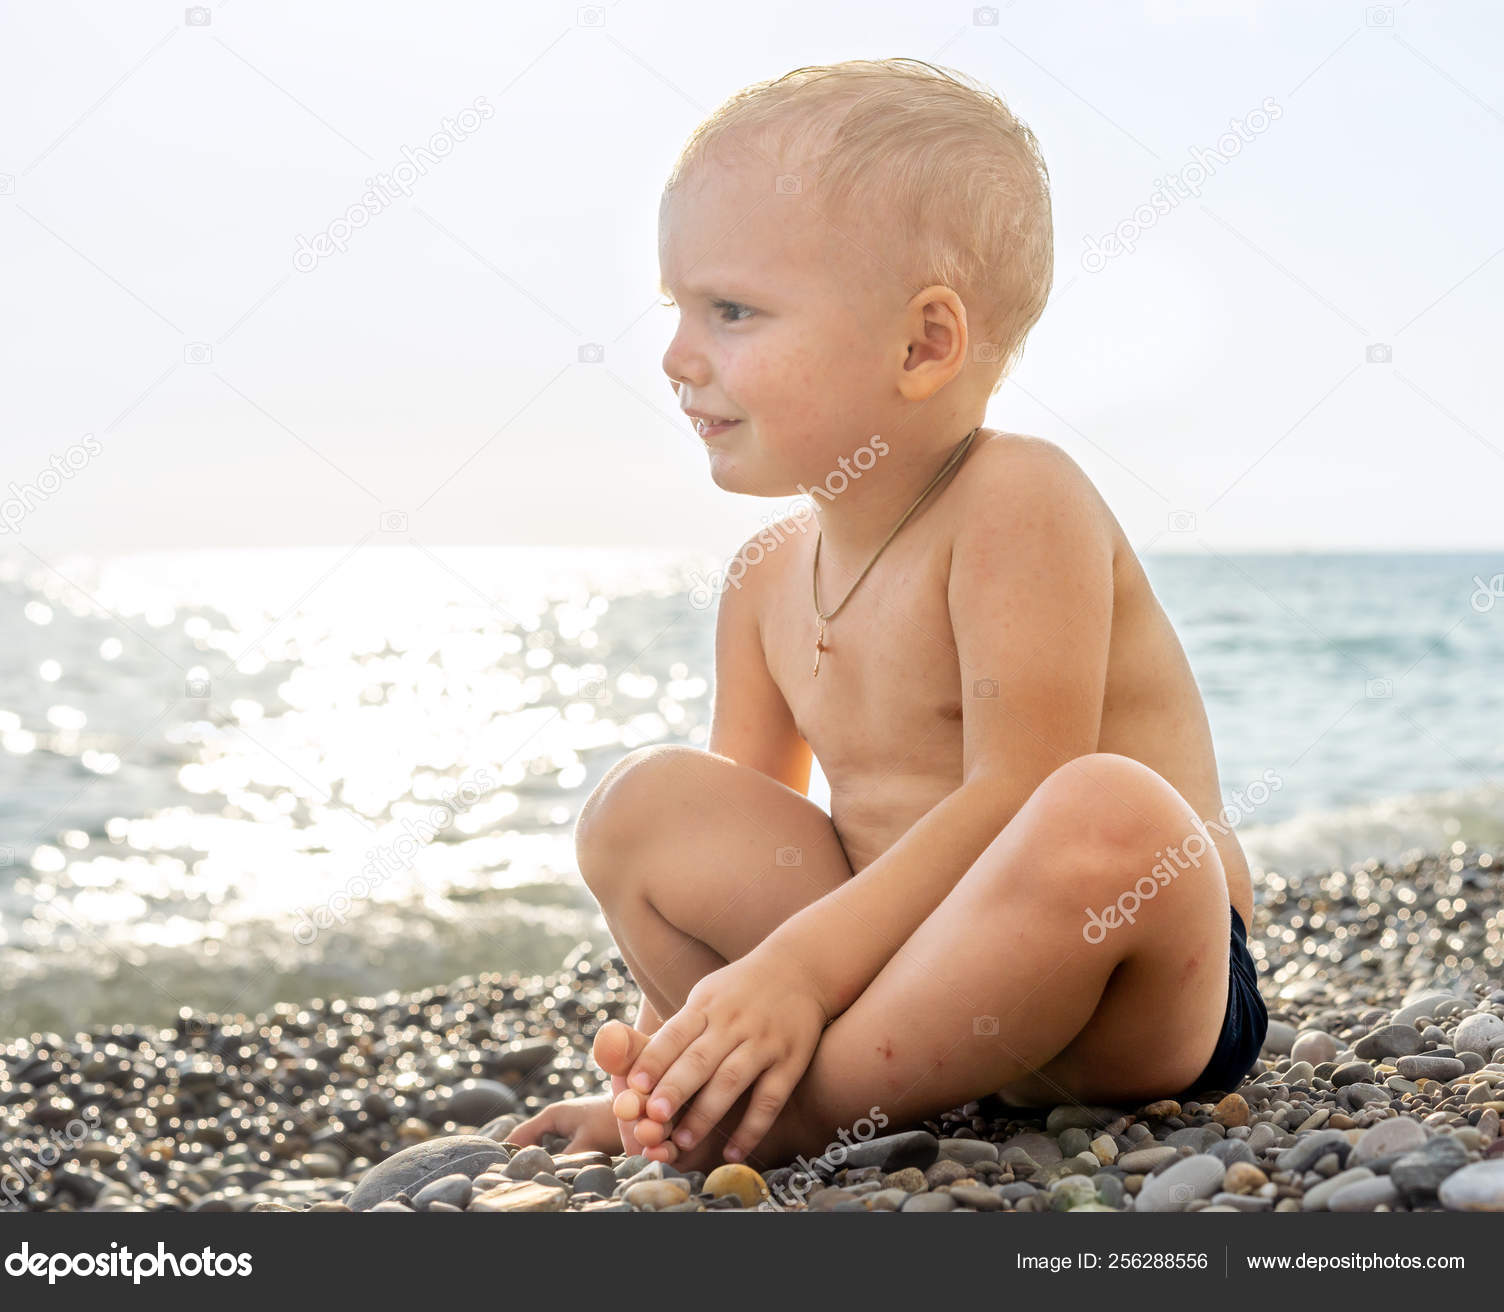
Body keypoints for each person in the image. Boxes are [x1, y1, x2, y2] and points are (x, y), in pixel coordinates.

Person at [508, 57, 1265, 1174]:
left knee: (1109, 813)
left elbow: (1017, 792)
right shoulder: (764, 577)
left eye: (731, 311)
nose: (675, 357)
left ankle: (801, 1110)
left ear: (922, 346)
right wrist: (688, 1030)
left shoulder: (1018, 499)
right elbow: (747, 838)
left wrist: (798, 973)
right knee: (641, 805)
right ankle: (734, 1079)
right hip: (900, 978)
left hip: (1121, 988)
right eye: (677, 309)